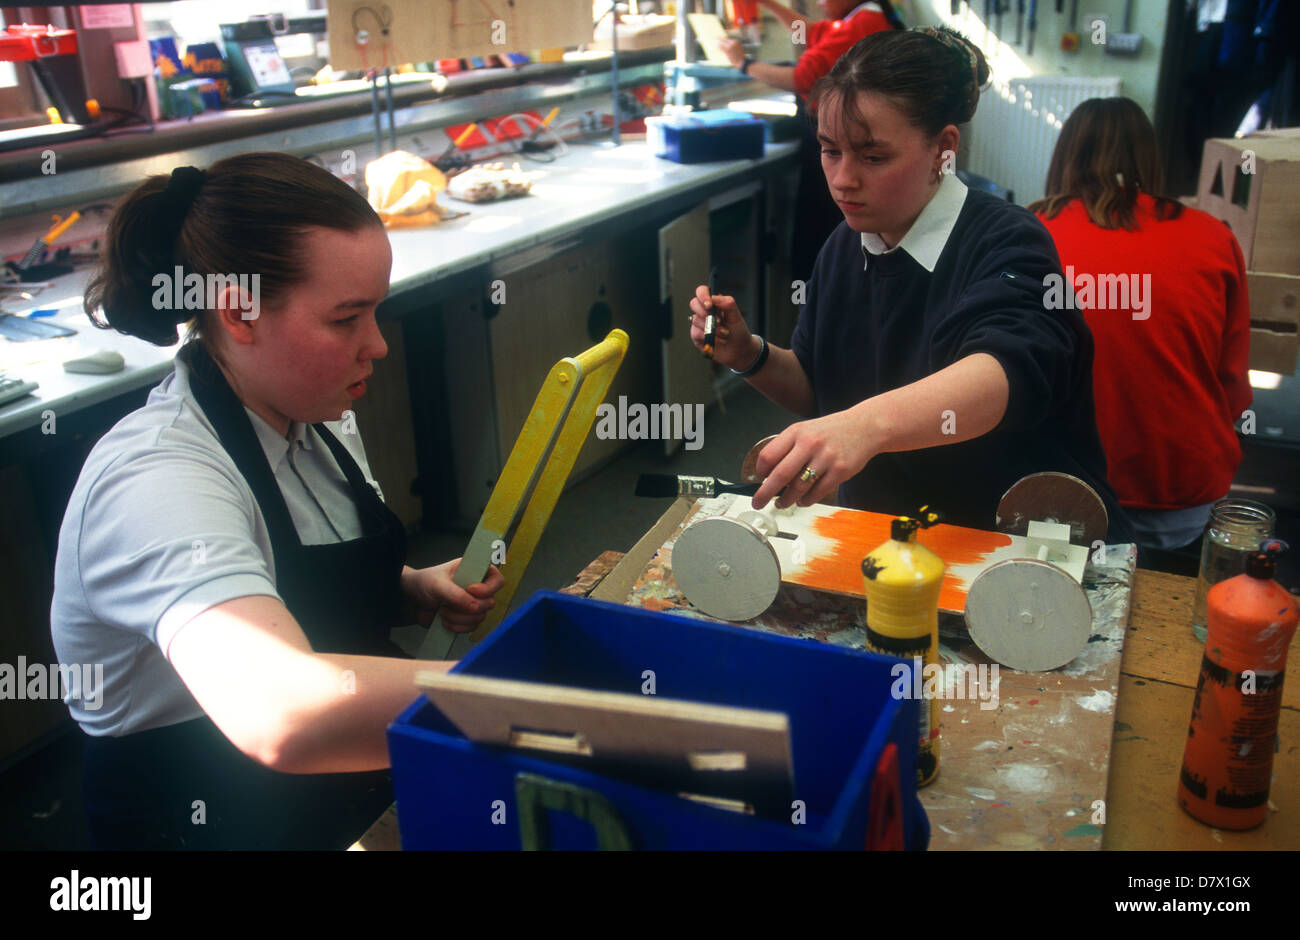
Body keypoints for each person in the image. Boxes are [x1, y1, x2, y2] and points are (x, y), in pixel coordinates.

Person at [51, 153, 504, 850]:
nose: (377, 345)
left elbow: (289, 581)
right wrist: (519, 694)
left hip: (349, 793)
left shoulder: (310, 413)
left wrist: (407, 589)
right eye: (347, 318)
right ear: (238, 312)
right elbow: (281, 707)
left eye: (375, 311)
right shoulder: (155, 479)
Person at [689, 28, 1135, 542]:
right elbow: (819, 386)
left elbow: (1002, 372)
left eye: (873, 157)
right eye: (830, 151)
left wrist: (867, 425)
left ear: (944, 149)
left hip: (1016, 547)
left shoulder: (1006, 240)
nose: (842, 179)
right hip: (894, 539)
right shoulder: (845, 245)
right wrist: (750, 354)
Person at [1028, 97, 1251, 561]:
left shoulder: (1027, 232)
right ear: (1151, 158)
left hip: (1060, 493)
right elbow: (1233, 388)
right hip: (1183, 494)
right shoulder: (1214, 236)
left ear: (1065, 155)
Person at [717, 1, 902, 288]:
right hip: (842, 138)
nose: (819, 1)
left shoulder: (863, 22)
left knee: (824, 236)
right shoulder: (858, 18)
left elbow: (801, 77)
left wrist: (744, 63)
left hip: (838, 139)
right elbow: (809, 33)